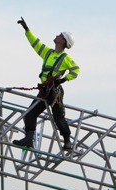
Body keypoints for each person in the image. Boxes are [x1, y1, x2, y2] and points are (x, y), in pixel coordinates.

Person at [11, 17, 80, 151]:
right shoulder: (48, 53)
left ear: (63, 41)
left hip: (54, 92)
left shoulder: (65, 58)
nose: (56, 35)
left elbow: (76, 70)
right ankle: (29, 139)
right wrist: (27, 30)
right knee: (30, 114)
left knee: (59, 118)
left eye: (60, 35)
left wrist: (63, 79)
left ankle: (67, 142)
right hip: (45, 91)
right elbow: (36, 43)